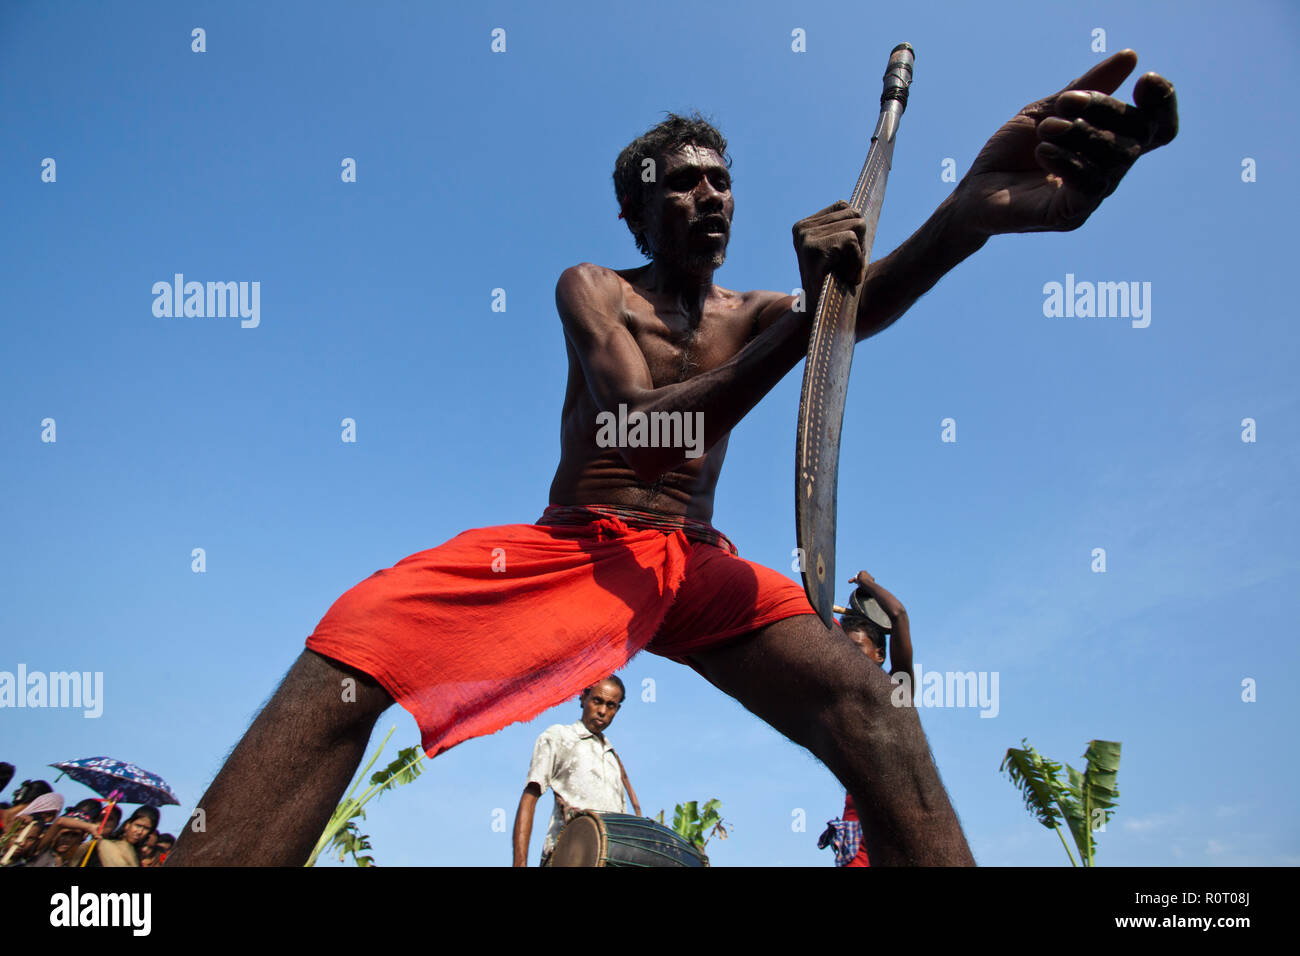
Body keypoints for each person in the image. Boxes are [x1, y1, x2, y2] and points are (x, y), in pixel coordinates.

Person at [169, 50, 1177, 868]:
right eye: (685, 181)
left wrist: (971, 216)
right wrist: (809, 313)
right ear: (637, 208)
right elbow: (642, 425)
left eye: (723, 180)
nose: (712, 196)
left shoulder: (756, 313)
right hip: (579, 546)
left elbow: (858, 310)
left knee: (866, 698)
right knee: (358, 635)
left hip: (695, 557)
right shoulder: (595, 288)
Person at [820, 571, 913, 867]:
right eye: (846, 651)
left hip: (895, 840)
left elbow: (898, 615)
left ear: (879, 654)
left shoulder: (897, 694)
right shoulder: (845, 703)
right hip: (856, 847)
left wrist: (868, 585)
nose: (850, 658)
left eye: (857, 649)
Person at [512, 676, 641, 866]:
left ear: (617, 710)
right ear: (583, 698)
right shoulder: (559, 737)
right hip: (566, 857)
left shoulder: (614, 759)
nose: (602, 711)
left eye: (611, 705)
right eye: (597, 701)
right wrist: (520, 863)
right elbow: (529, 798)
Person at [87, 806, 158, 867]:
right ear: (127, 825)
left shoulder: (136, 858)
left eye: (146, 828)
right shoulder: (103, 845)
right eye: (138, 825)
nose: (139, 832)